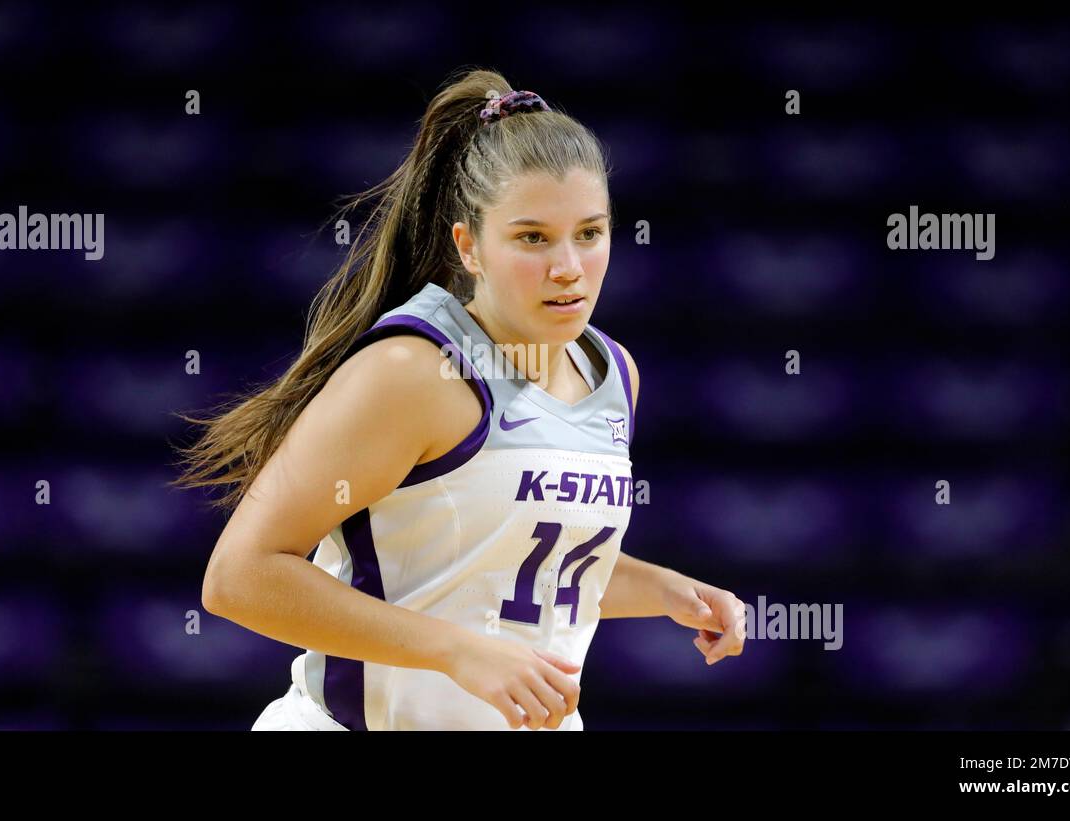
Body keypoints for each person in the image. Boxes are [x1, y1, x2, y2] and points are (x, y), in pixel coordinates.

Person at [173, 68, 746, 731]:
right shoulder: (412, 371)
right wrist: (453, 652)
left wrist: (670, 592)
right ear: (468, 246)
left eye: (589, 233)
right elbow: (239, 576)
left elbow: (506, 566)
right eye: (533, 237)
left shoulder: (615, 372)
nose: (568, 266)